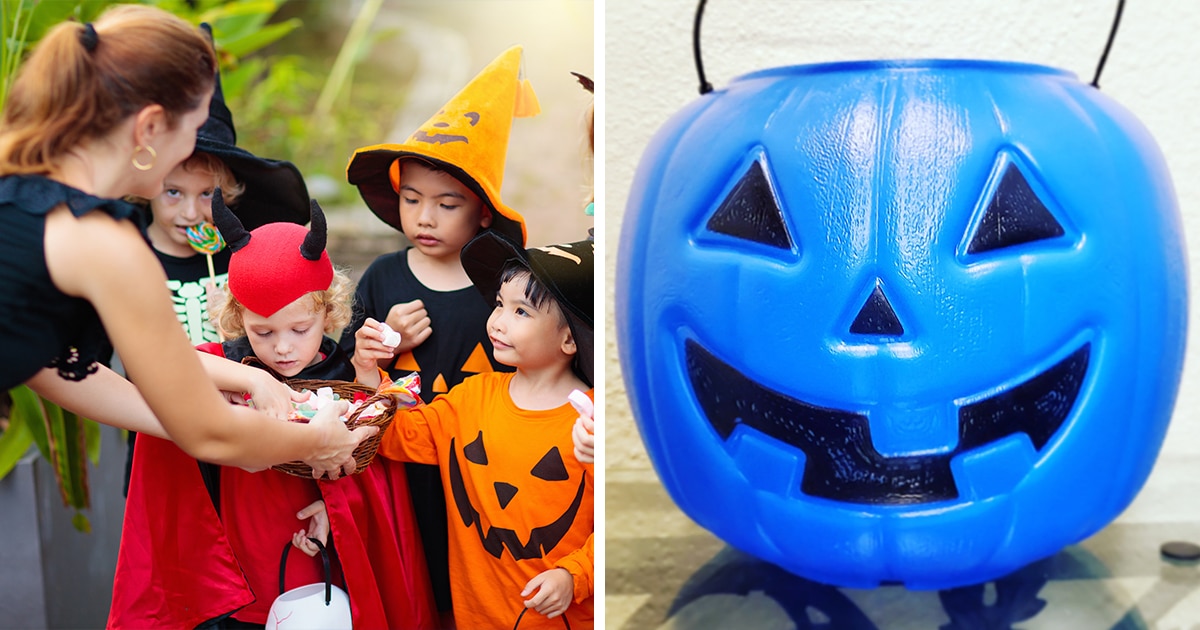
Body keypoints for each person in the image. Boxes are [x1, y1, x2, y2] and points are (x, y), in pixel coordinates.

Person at [0, 6, 372, 481]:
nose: (194, 149)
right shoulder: (103, 243)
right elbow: (208, 434)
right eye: (194, 128)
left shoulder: (20, 194)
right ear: (150, 128)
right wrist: (319, 439)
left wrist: (242, 388)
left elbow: (63, 370)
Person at [109, 193, 435, 629]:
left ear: (329, 313)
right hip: (241, 552)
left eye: (300, 329)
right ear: (238, 319)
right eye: (262, 331)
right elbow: (163, 361)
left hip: (314, 546)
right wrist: (252, 380)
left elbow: (366, 456)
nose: (282, 348)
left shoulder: (340, 371)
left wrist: (339, 511)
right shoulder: (231, 364)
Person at [342, 44, 537, 623]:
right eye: (411, 200)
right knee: (410, 575)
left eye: (447, 204)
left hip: (479, 468)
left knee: (472, 578)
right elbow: (353, 367)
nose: (425, 217)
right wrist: (380, 343)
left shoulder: (505, 285)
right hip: (402, 461)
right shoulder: (382, 276)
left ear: (481, 212)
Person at [122, 26, 313, 494]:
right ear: (148, 187)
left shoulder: (239, 258)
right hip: (159, 433)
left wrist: (232, 317)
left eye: (207, 194)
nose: (191, 211)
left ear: (228, 195)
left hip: (241, 426)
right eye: (173, 192)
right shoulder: (126, 256)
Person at [373, 232, 595, 629]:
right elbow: (396, 436)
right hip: (475, 618)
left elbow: (618, 521)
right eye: (498, 305)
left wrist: (573, 575)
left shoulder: (593, 421)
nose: (497, 322)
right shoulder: (472, 396)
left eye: (521, 312)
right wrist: (367, 367)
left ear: (568, 338)